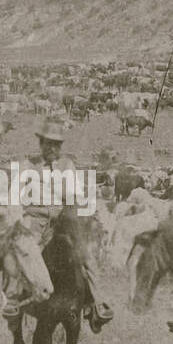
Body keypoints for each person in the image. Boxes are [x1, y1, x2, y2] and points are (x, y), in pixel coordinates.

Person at [23, 119, 113, 325]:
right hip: (36, 219)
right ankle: (14, 301)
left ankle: (96, 303)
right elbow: (20, 196)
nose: (52, 148)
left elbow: (72, 194)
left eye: (57, 144)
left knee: (84, 254)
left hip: (62, 219)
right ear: (41, 143)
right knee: (23, 252)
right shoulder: (29, 165)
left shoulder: (67, 165)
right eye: (48, 143)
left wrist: (48, 189)